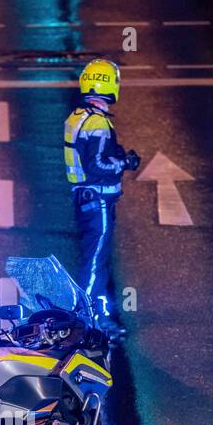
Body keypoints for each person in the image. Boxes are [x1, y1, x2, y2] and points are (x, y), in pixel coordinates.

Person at [64, 59, 139, 326]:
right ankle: (88, 317)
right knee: (95, 261)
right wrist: (124, 163)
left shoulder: (78, 117)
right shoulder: (97, 123)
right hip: (98, 200)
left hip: (85, 198)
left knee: (93, 257)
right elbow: (96, 163)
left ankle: (90, 312)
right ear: (109, 84)